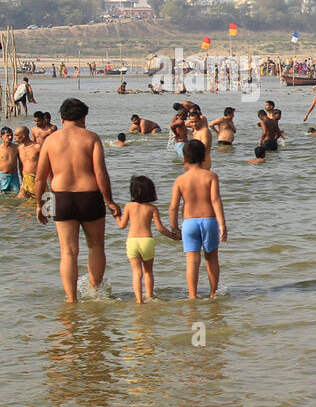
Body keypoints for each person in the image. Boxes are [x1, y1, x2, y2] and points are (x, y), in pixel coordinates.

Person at [33, 98, 122, 302]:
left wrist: (40, 204)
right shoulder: (91, 138)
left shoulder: (50, 141)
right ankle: (94, 292)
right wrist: (109, 201)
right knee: (96, 246)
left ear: (62, 119)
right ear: (83, 117)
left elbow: (40, 177)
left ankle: (71, 299)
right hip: (90, 196)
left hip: (62, 197)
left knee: (68, 252)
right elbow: (100, 172)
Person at [169, 140, 227, 298]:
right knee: (212, 258)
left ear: (184, 158)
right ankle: (213, 293)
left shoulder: (180, 180)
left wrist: (174, 227)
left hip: (189, 223)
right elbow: (215, 200)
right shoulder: (211, 176)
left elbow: (174, 206)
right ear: (204, 157)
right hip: (209, 220)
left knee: (192, 261)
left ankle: (193, 295)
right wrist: (222, 224)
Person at [115, 175, 179, 303]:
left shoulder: (128, 206)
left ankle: (139, 300)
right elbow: (160, 228)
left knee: (136, 272)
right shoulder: (152, 208)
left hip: (132, 241)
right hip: (147, 241)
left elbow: (122, 225)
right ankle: (149, 295)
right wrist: (173, 236)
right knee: (148, 271)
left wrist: (116, 215)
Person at [0, 127, 19, 193]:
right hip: (2, 176)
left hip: (14, 176)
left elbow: (22, 163)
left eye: (11, 135)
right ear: (1, 136)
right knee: (3, 195)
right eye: (7, 135)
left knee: (16, 194)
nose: (10, 137)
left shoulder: (17, 147)